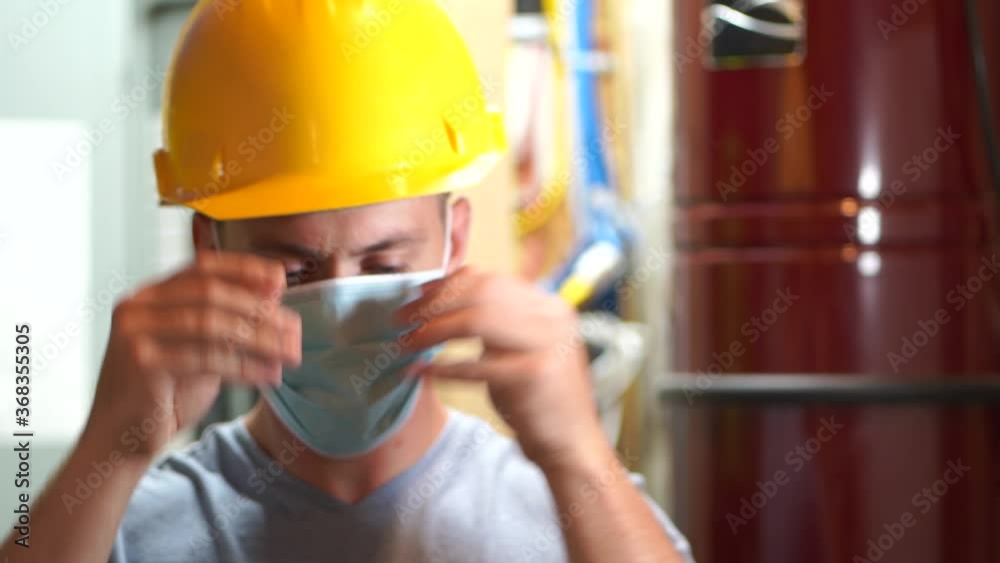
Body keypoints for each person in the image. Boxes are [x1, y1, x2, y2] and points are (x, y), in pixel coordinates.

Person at [1, 1, 694, 562]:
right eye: (294, 268)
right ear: (209, 253)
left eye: (386, 265)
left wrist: (578, 456)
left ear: (453, 241)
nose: (340, 295)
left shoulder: (574, 519)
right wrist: (110, 450)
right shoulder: (125, 529)